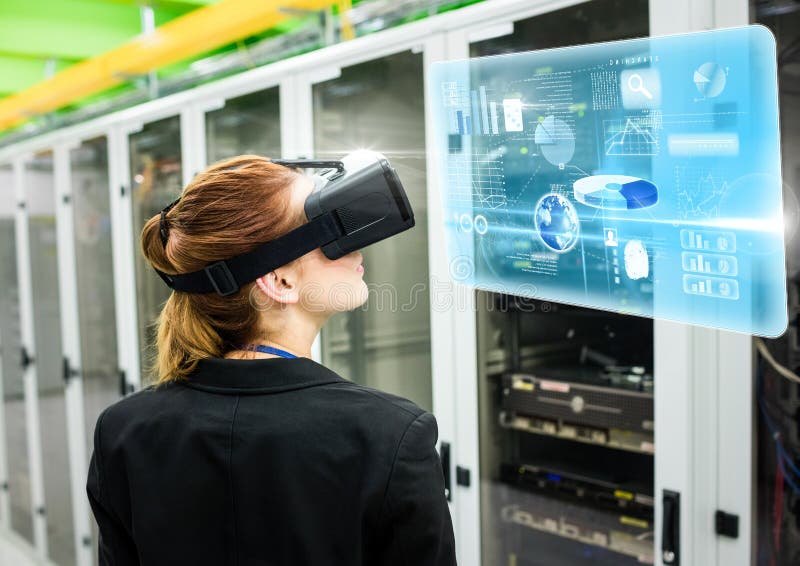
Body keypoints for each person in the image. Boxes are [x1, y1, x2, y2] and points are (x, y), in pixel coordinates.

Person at [86, 155, 457, 566]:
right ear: (280, 281)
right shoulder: (390, 437)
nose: (357, 244)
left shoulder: (122, 432)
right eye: (328, 224)